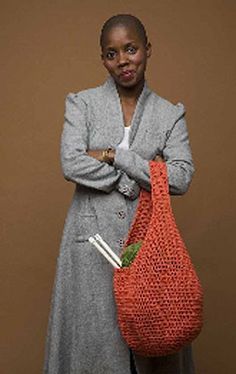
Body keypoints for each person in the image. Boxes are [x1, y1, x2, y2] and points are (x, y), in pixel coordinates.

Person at [43, 14, 196, 374]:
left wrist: (116, 156)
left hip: (147, 244)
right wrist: (142, 173)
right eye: (112, 53)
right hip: (91, 243)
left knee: (151, 342)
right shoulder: (81, 104)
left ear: (147, 49)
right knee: (92, 347)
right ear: (103, 59)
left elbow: (182, 176)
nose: (123, 60)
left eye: (131, 49)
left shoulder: (169, 115)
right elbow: (71, 163)